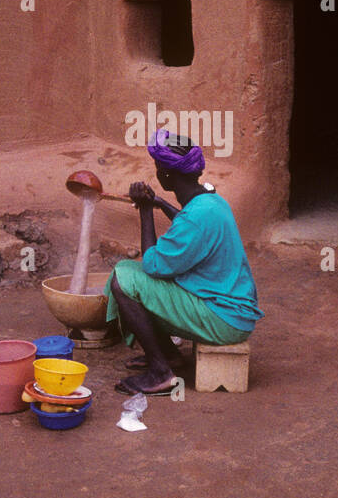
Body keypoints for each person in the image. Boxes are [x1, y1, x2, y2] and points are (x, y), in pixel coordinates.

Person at [103, 128, 263, 394]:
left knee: (124, 279)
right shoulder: (211, 201)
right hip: (234, 311)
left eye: (157, 167)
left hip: (225, 320)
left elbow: (153, 265)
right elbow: (188, 220)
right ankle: (169, 355)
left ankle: (161, 372)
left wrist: (145, 211)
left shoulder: (195, 217)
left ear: (166, 175)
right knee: (130, 273)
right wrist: (159, 202)